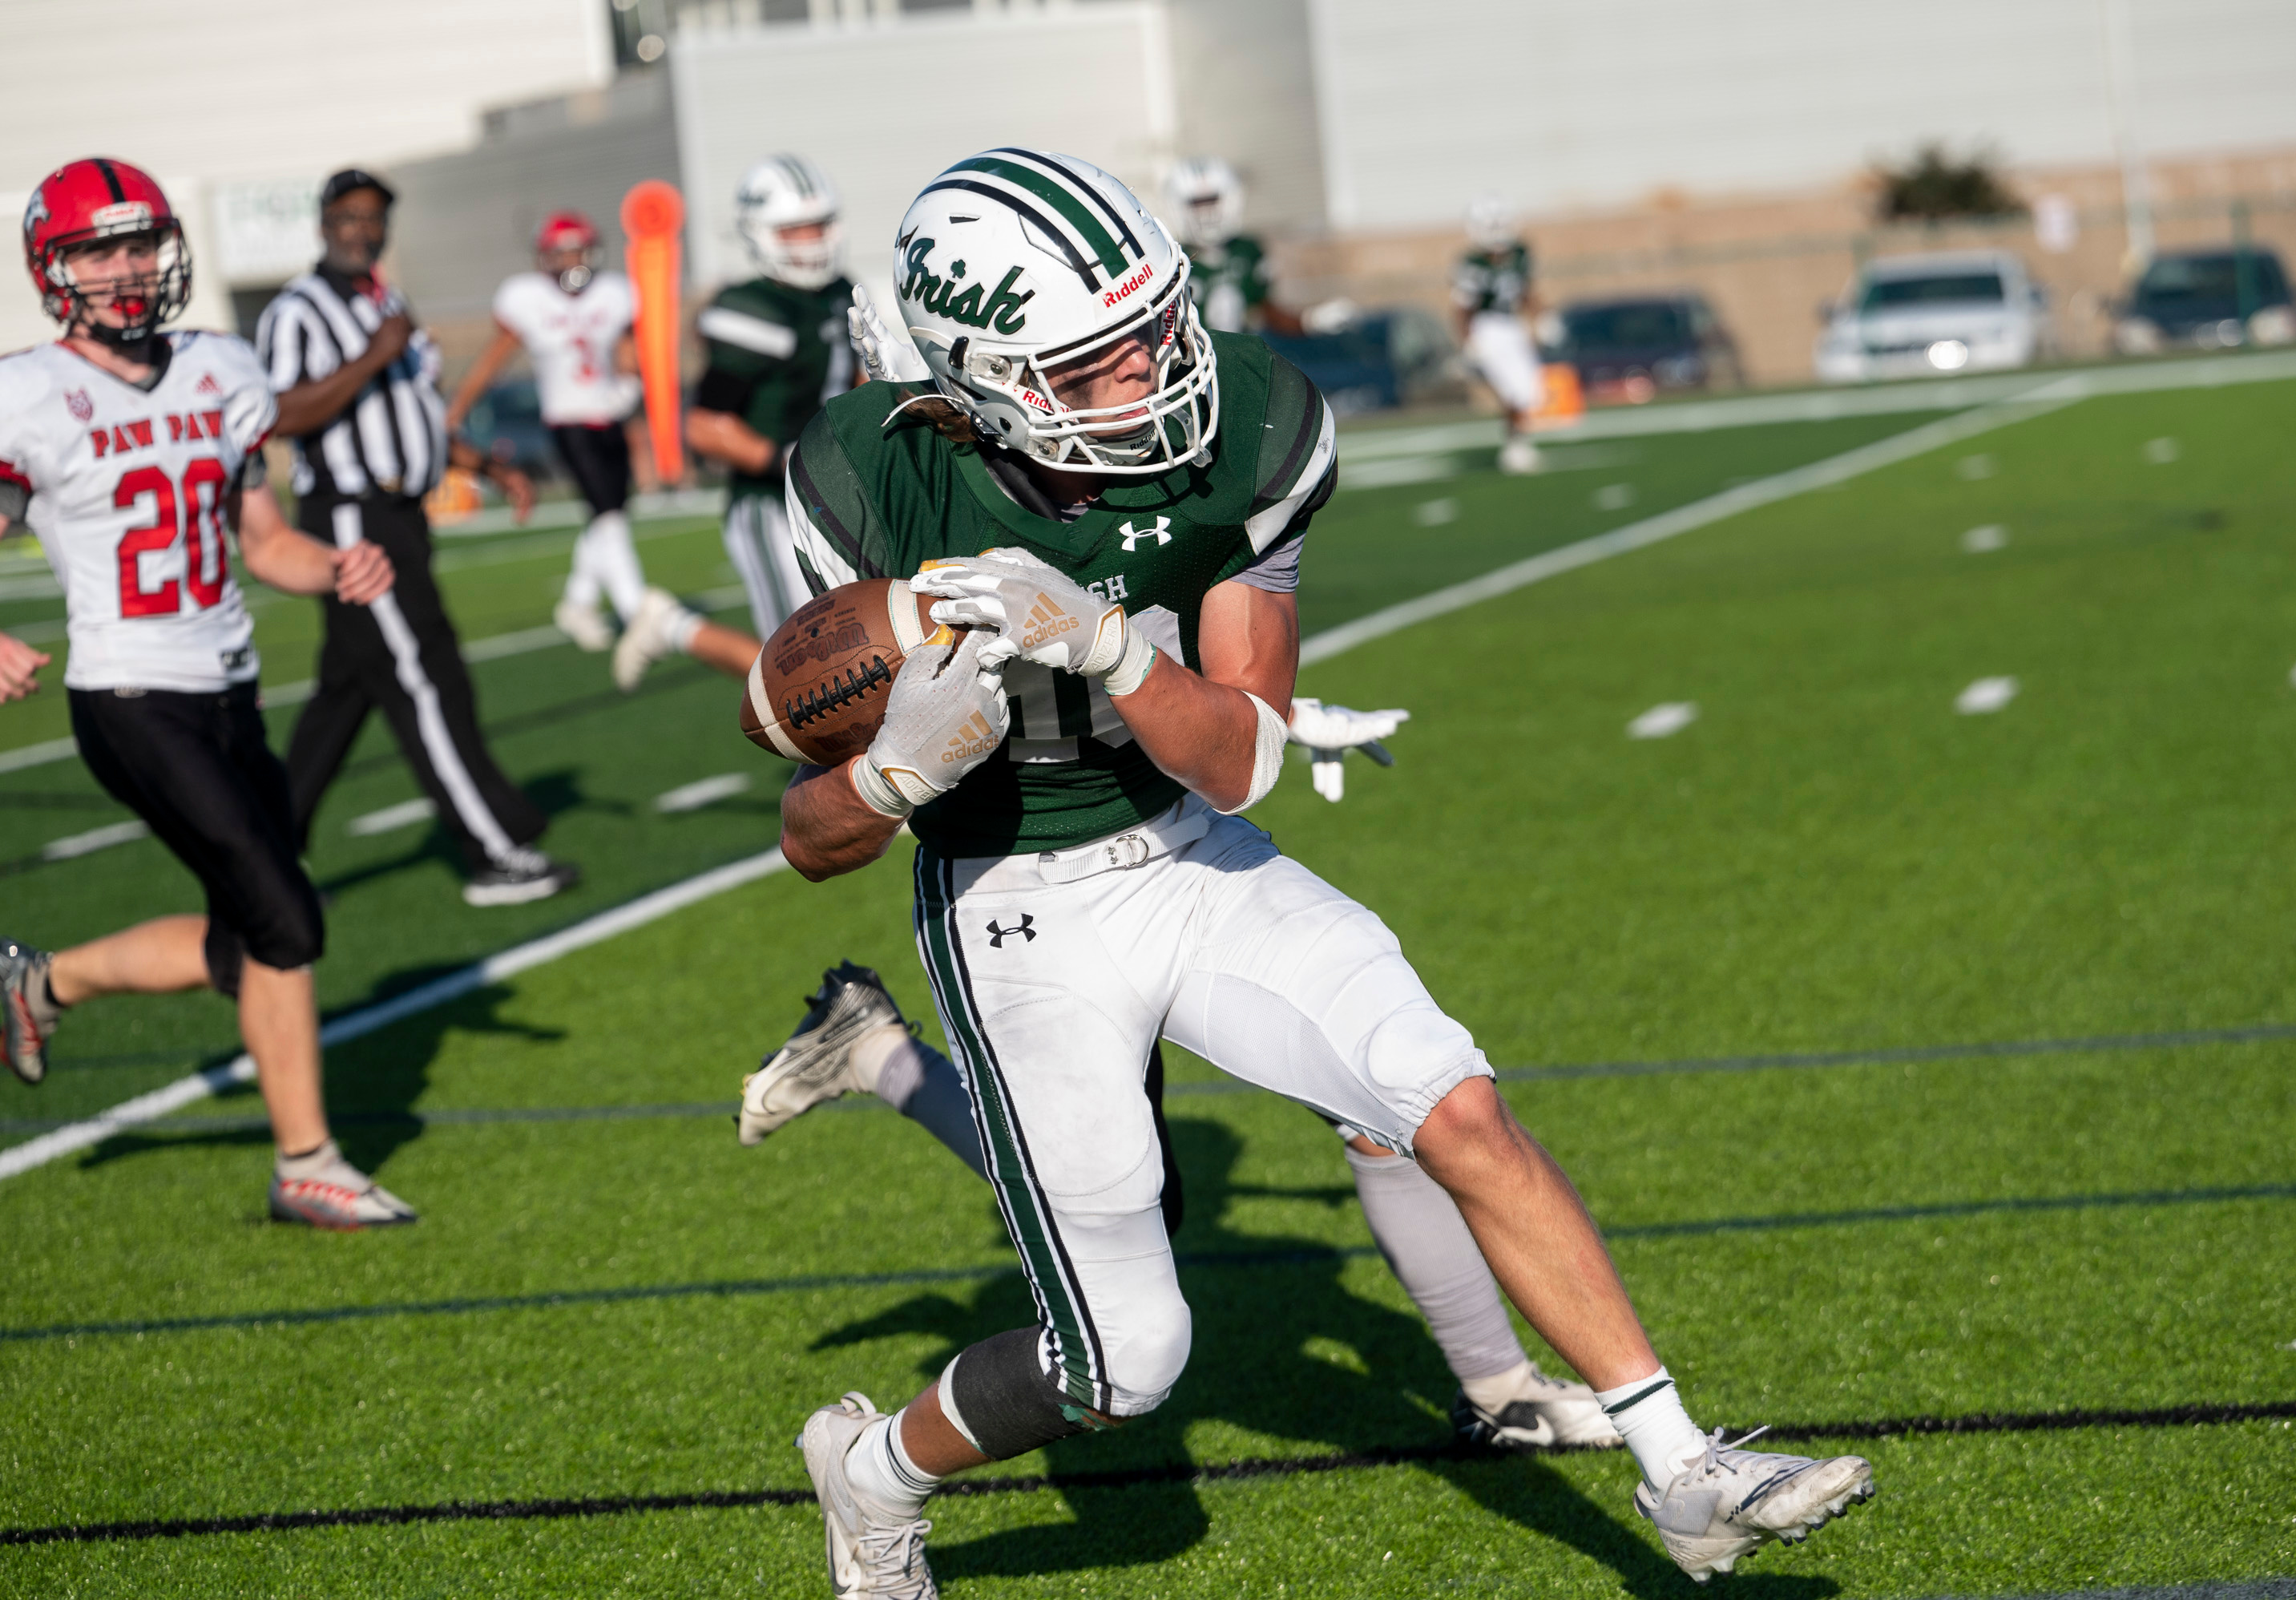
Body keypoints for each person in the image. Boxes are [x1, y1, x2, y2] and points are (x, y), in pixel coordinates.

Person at [768, 148, 1876, 1596]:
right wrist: (892, 774)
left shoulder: (1253, 423)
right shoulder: (867, 476)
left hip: (1187, 849)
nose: (1156, 377)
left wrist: (1109, 649)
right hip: (1014, 901)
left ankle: (1685, 1470)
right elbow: (808, 833)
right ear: (981, 382)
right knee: (1126, 1364)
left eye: (1157, 330)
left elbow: (1237, 759)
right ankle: (872, 1472)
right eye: (1099, 364)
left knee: (1447, 1100)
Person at [0, 157, 415, 1227]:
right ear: (55, 268)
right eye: (101, 250)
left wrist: (335, 565)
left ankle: (43, 982)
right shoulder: (27, 394)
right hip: (130, 694)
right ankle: (307, 1161)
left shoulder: (219, 366)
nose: (128, 268)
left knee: (246, 943)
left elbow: (262, 540)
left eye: (141, 244)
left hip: (230, 688)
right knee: (288, 918)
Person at [743, 960, 1623, 1454]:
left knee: (1384, 1103)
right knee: (1139, 1205)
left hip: (1189, 856)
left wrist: (1278, 713)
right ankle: (875, 1054)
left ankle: (1501, 1392)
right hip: (1056, 886)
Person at [256, 170, 579, 907]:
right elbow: (278, 415)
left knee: (346, 692)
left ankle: (265, 850)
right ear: (323, 223)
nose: (361, 231)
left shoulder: (387, 303)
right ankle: (491, 850)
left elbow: (413, 416)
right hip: (350, 516)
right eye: (348, 217)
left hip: (403, 514)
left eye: (374, 218)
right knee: (424, 677)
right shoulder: (298, 312)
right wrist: (372, 356)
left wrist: (484, 465)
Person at [446, 209, 759, 691]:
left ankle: (578, 601)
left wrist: (630, 388)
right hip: (567, 419)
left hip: (609, 415)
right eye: (563, 251)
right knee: (609, 515)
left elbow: (632, 351)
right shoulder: (527, 299)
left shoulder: (613, 293)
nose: (573, 260)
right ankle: (636, 609)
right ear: (545, 258)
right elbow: (494, 359)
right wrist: (458, 408)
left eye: (579, 250)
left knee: (610, 512)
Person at [660, 154, 857, 671]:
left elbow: (855, 384)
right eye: (794, 230)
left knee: (868, 649)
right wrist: (793, 461)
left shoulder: (841, 292)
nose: (810, 241)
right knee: (802, 669)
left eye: (817, 225)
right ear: (760, 234)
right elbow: (704, 427)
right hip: (771, 507)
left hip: (843, 501)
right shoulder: (750, 307)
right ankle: (674, 627)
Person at [1161, 156, 1302, 337]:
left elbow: (1268, 312)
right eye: (1197, 204)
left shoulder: (1248, 251)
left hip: (1244, 350)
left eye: (1212, 201)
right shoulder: (1171, 260)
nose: (1206, 213)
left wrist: (1310, 321)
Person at [1455, 195, 1545, 475]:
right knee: (1510, 390)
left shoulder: (1520, 254)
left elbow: (1527, 291)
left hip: (1512, 324)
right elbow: (1463, 308)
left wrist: (1542, 318)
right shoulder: (1472, 264)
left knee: (1530, 392)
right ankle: (1516, 446)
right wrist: (1468, 341)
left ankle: (1518, 441)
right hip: (1487, 328)